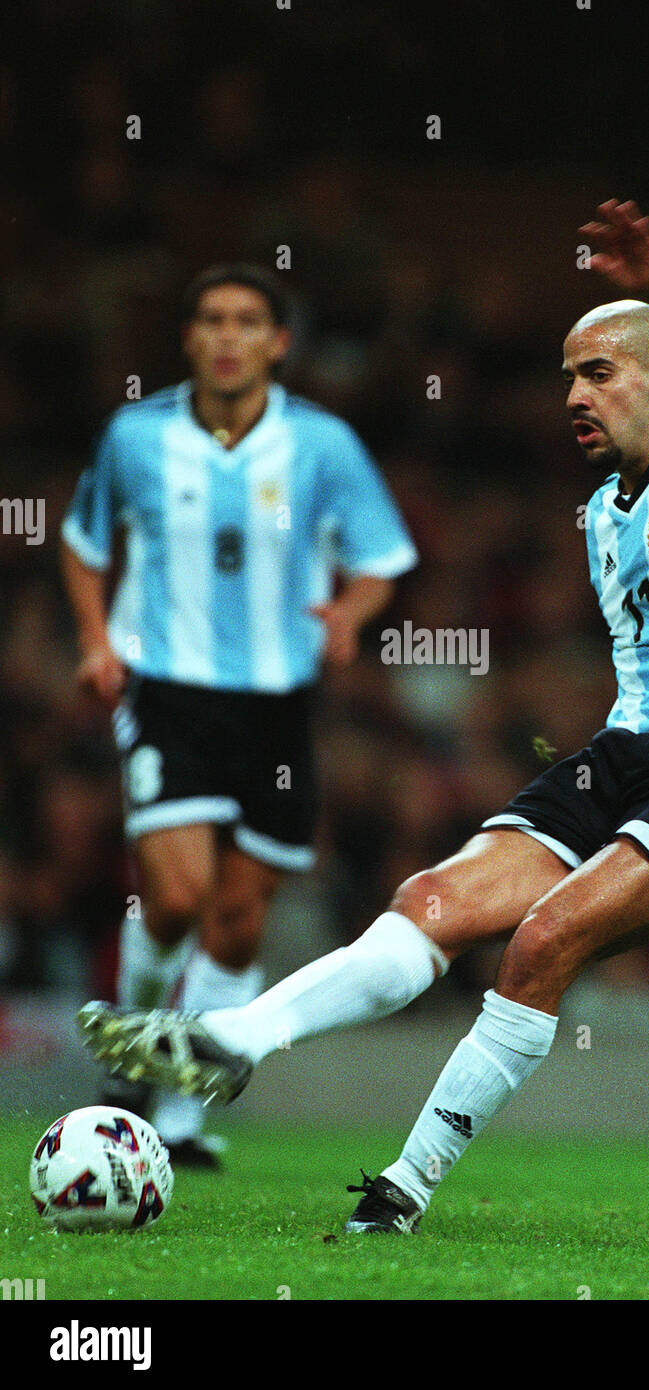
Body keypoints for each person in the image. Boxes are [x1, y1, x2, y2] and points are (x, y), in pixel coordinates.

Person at [78, 200, 649, 1228]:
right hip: (628, 753)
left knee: (542, 937)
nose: (571, 393)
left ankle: (401, 1190)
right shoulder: (599, 516)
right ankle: (231, 1039)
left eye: (595, 371)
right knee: (428, 899)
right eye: (565, 373)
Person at [63, 264, 417, 1165]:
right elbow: (82, 541)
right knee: (175, 897)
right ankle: (126, 1070)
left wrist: (349, 613)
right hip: (167, 691)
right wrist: (98, 640)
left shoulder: (322, 445)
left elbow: (381, 558)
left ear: (278, 341)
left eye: (247, 320)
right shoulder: (136, 438)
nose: (227, 335)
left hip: (276, 709)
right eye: (211, 318)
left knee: (238, 921)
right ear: (189, 337)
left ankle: (179, 1120)